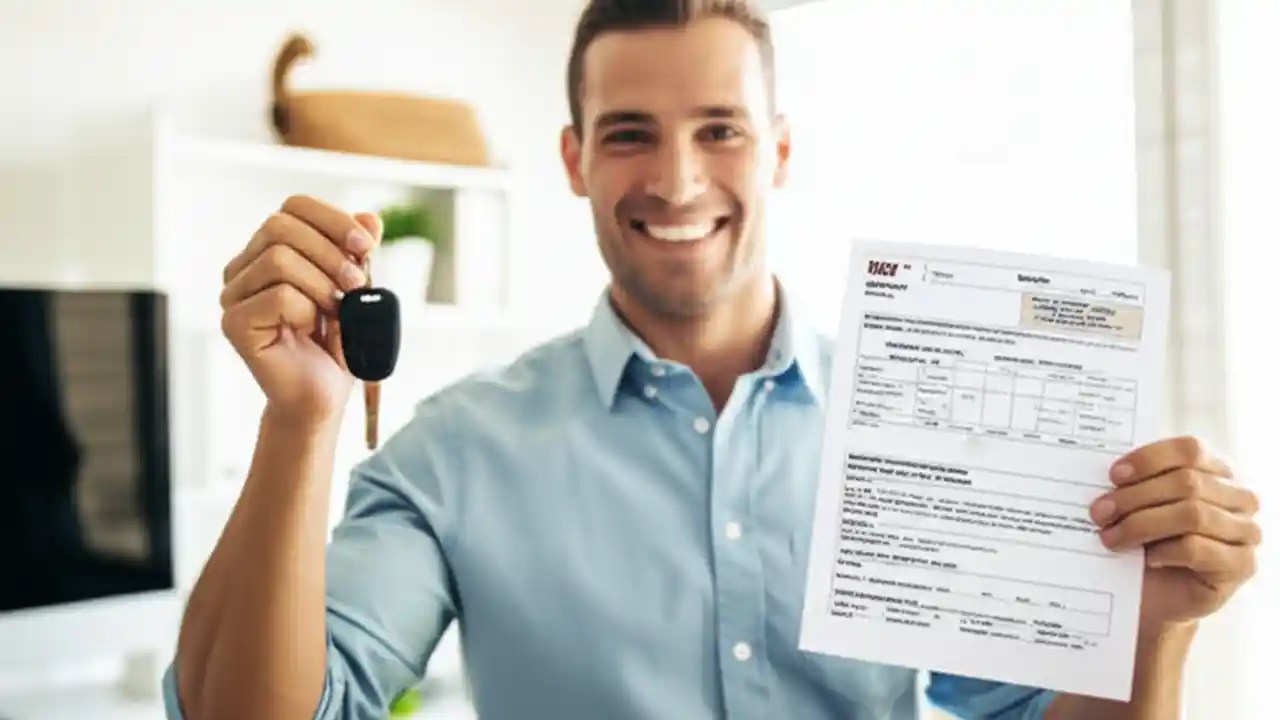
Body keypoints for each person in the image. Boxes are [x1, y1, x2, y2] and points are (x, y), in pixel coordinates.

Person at [163, 1, 1263, 718]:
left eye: (720, 129)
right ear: (574, 160)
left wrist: (1147, 627)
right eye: (630, 132)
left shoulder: (926, 430)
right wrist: (298, 422)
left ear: (778, 149)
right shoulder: (453, 451)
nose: (677, 183)